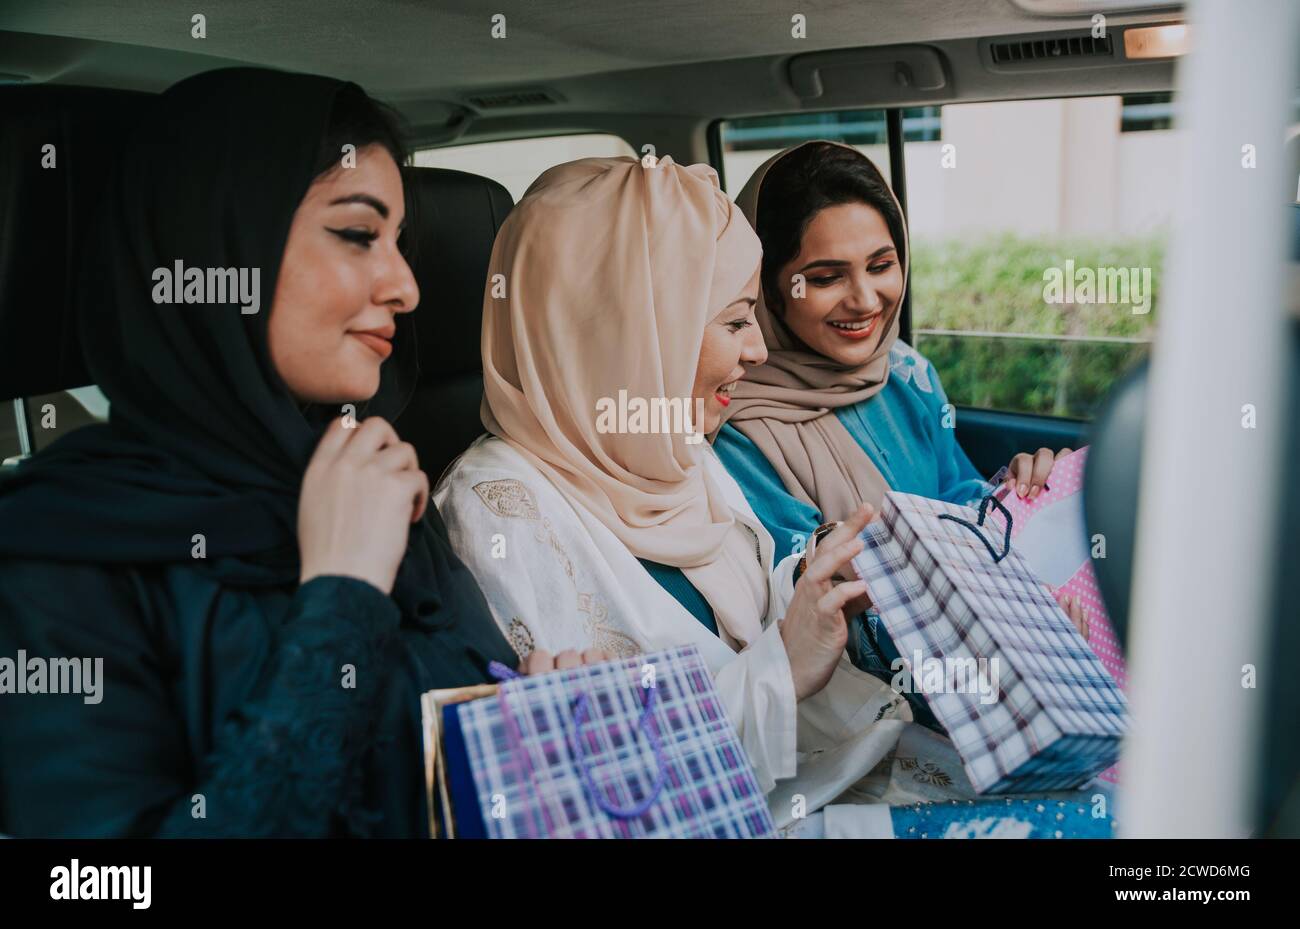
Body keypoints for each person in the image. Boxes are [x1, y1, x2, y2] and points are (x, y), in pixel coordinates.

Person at [0, 68, 527, 837]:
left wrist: (536, 719)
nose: (408, 286)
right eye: (357, 234)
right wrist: (342, 597)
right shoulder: (55, 559)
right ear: (215, 249)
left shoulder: (369, 481)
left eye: (400, 243)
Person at [435, 155, 916, 804]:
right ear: (642, 329)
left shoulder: (676, 445)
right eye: (737, 319)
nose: (759, 350)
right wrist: (781, 670)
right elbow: (586, 777)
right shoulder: (496, 512)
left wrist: (813, 584)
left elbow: (743, 619)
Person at [712, 141, 1086, 651]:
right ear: (769, 288)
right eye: (825, 277)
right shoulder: (735, 422)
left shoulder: (907, 371)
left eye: (881, 265)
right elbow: (799, 593)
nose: (866, 300)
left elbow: (957, 498)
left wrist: (1020, 495)